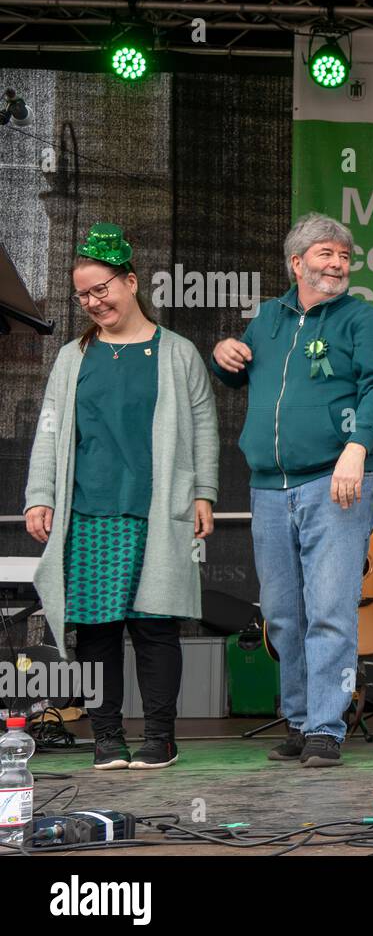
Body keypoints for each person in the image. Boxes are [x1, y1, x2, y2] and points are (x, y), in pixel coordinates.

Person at [24, 223, 218, 771]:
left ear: (130, 282)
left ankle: (160, 736)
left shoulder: (177, 353)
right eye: (83, 294)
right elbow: (50, 430)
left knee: (155, 624)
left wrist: (204, 491)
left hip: (156, 511)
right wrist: (41, 494)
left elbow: (204, 425)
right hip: (88, 511)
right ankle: (107, 736)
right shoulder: (71, 358)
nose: (93, 301)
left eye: (101, 288)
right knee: (98, 628)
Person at [211, 212, 373, 768]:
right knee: (283, 613)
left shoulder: (360, 319)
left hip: (335, 481)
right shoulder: (268, 318)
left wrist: (358, 447)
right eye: (326, 254)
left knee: (330, 611)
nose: (338, 263)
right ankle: (298, 719)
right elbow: (240, 371)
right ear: (297, 262)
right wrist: (226, 355)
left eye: (344, 255)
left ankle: (326, 726)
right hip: (270, 488)